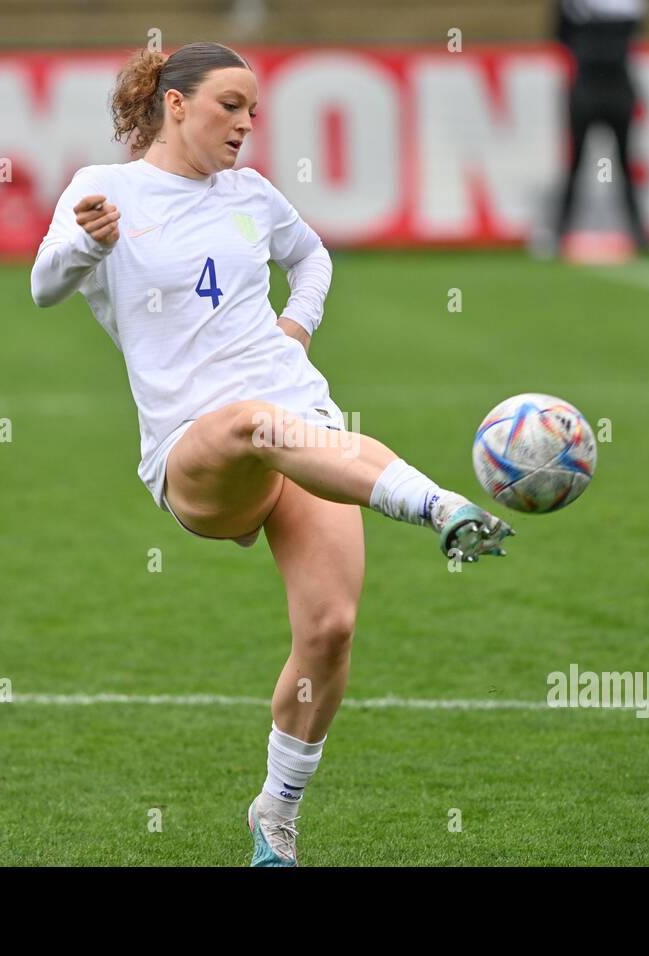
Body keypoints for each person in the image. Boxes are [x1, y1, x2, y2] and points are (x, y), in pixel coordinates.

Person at [30, 40, 514, 867]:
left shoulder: (251, 195)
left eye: (253, 110)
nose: (247, 124)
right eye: (230, 105)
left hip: (300, 415)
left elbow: (312, 257)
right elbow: (44, 283)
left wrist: (299, 324)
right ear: (174, 104)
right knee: (254, 421)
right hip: (197, 448)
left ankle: (275, 816)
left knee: (329, 628)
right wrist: (91, 245)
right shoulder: (104, 190)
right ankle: (437, 505)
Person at [551, 0, 649, 252]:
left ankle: (638, 232)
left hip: (599, 88)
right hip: (604, 87)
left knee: (622, 164)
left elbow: (560, 35)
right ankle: (561, 230)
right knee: (579, 164)